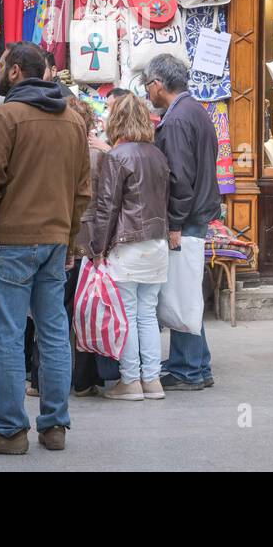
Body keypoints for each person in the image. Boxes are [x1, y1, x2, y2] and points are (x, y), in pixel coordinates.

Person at [0, 42, 91, 455]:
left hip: (10, 241)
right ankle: (54, 426)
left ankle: (8, 429)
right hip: (54, 241)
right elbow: (81, 191)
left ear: (16, 72)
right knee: (53, 333)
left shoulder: (5, 116)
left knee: (8, 336)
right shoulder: (71, 121)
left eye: (0, 65)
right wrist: (69, 239)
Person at [89, 93, 171, 400]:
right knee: (148, 314)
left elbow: (107, 208)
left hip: (127, 245)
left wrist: (98, 249)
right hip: (156, 243)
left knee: (128, 314)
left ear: (117, 120)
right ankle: (152, 381)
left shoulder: (117, 156)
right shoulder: (158, 155)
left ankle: (130, 381)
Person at [145, 53, 220, 391]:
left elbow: (180, 178)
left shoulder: (176, 120)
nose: (148, 91)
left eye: (148, 85)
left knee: (180, 290)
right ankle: (195, 364)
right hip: (196, 214)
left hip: (186, 218)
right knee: (187, 291)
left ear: (158, 85)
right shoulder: (196, 111)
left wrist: (174, 223)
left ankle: (188, 368)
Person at [67, 95, 117, 396]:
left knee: (65, 305)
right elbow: (106, 202)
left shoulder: (62, 153)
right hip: (91, 235)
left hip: (69, 234)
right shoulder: (99, 156)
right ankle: (89, 374)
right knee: (87, 304)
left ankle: (69, 374)